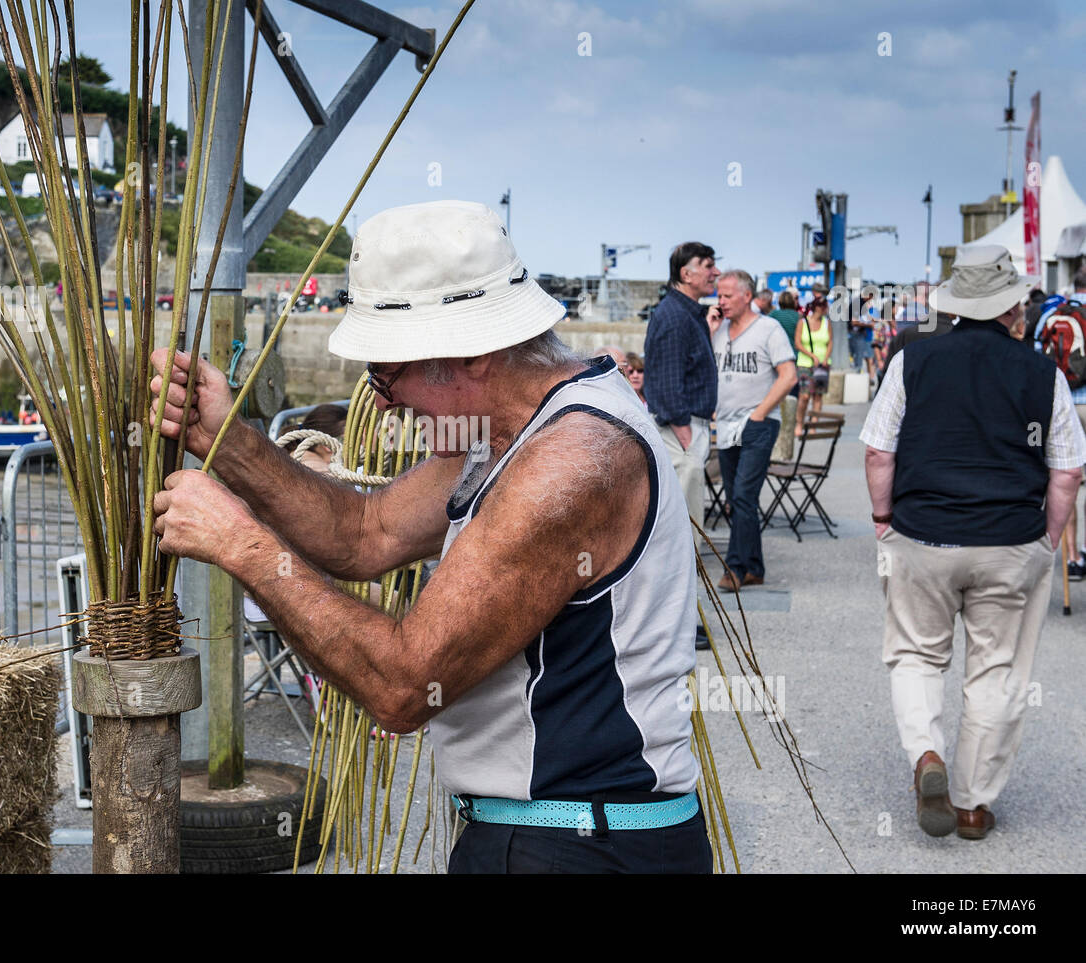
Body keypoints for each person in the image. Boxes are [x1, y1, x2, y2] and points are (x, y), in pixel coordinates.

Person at [149, 200, 711, 873]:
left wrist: (240, 544)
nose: (382, 400)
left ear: (471, 353)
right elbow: (366, 531)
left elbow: (404, 685)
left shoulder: (571, 463)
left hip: (582, 841)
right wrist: (228, 441)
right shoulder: (507, 430)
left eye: (388, 371)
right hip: (550, 833)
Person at [860, 245, 1085, 841]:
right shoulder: (1044, 374)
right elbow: (1067, 471)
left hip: (923, 533)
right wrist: (1049, 539)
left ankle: (926, 756)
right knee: (998, 672)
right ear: (1014, 305)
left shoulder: (915, 361)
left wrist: (884, 517)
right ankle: (971, 803)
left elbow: (879, 450)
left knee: (915, 654)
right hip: (1010, 539)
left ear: (954, 303)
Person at [643, 241, 721, 650]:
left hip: (685, 428)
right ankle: (679, 626)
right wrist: (683, 428)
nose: (714, 273)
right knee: (683, 533)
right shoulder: (676, 316)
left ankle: (679, 622)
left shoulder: (682, 313)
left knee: (684, 530)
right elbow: (670, 378)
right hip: (680, 431)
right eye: (706, 266)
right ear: (685, 274)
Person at [711, 270, 797, 589]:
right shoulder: (717, 330)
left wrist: (760, 414)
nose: (721, 301)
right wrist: (708, 330)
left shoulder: (768, 329)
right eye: (718, 295)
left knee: (744, 496)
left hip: (758, 424)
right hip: (726, 424)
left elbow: (789, 375)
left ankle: (734, 568)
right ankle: (754, 567)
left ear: (747, 296)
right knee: (737, 497)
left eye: (727, 296)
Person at [1033, 266, 1086, 579]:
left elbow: (1038, 354)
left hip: (1062, 405)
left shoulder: (1052, 314)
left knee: (1068, 479)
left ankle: (1073, 556)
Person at [794, 293, 832, 434]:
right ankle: (799, 423)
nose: (827, 309)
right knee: (804, 395)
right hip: (805, 363)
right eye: (825, 307)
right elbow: (798, 343)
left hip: (822, 365)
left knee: (818, 395)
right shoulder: (803, 323)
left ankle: (813, 424)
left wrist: (825, 358)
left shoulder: (826, 323)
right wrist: (812, 356)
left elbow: (830, 342)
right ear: (819, 308)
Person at [770, 288, 801, 353]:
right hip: (795, 352)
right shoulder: (798, 316)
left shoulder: (774, 314)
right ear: (792, 302)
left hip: (779, 352)